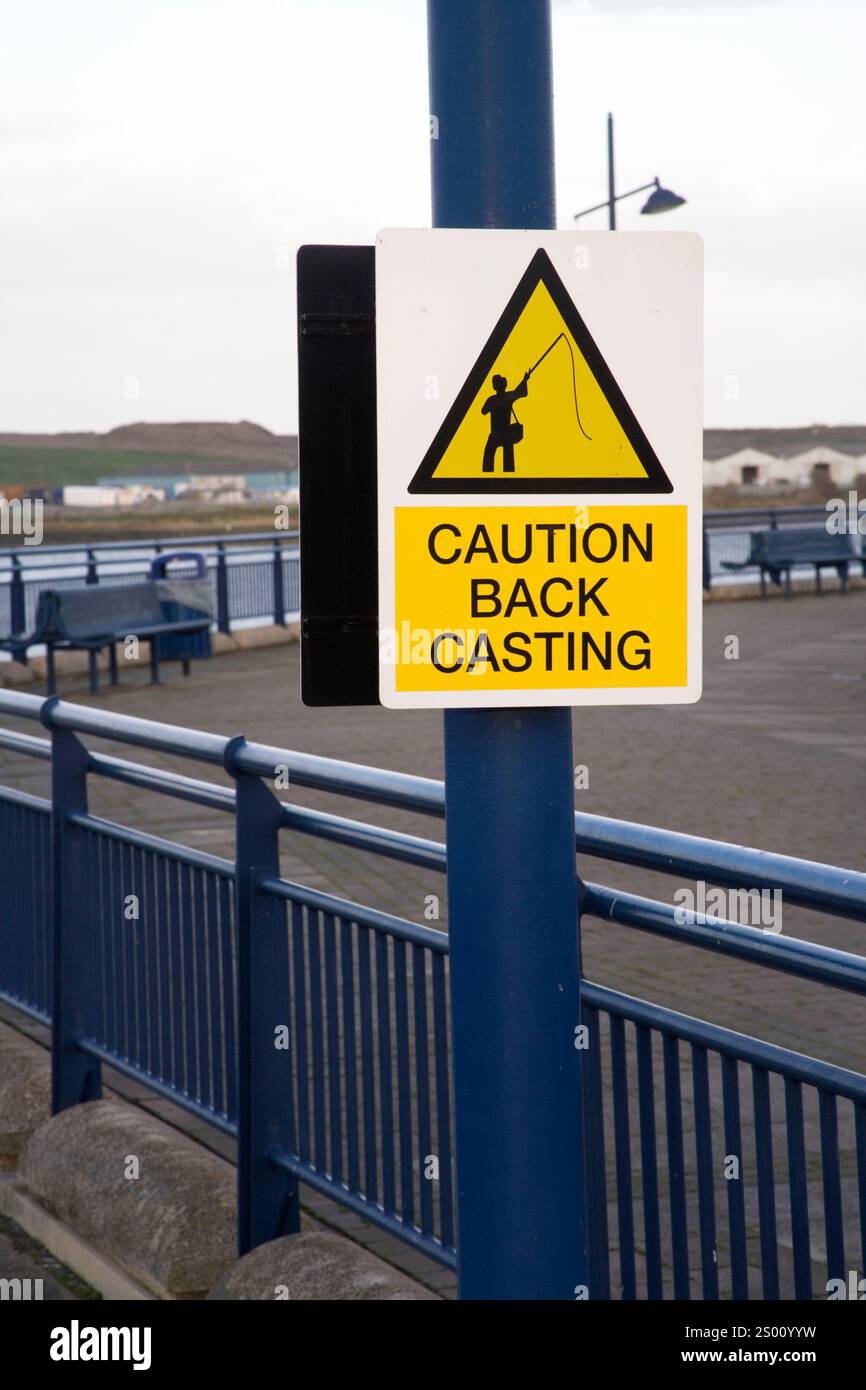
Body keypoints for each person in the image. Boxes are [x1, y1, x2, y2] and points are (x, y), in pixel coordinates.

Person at [481, 371, 529, 473]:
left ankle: (489, 478)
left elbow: (484, 411)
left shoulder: (493, 399)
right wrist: (524, 380)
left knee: (489, 457)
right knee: (505, 458)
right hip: (505, 434)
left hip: (498, 434)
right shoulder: (507, 397)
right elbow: (520, 392)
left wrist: (524, 380)